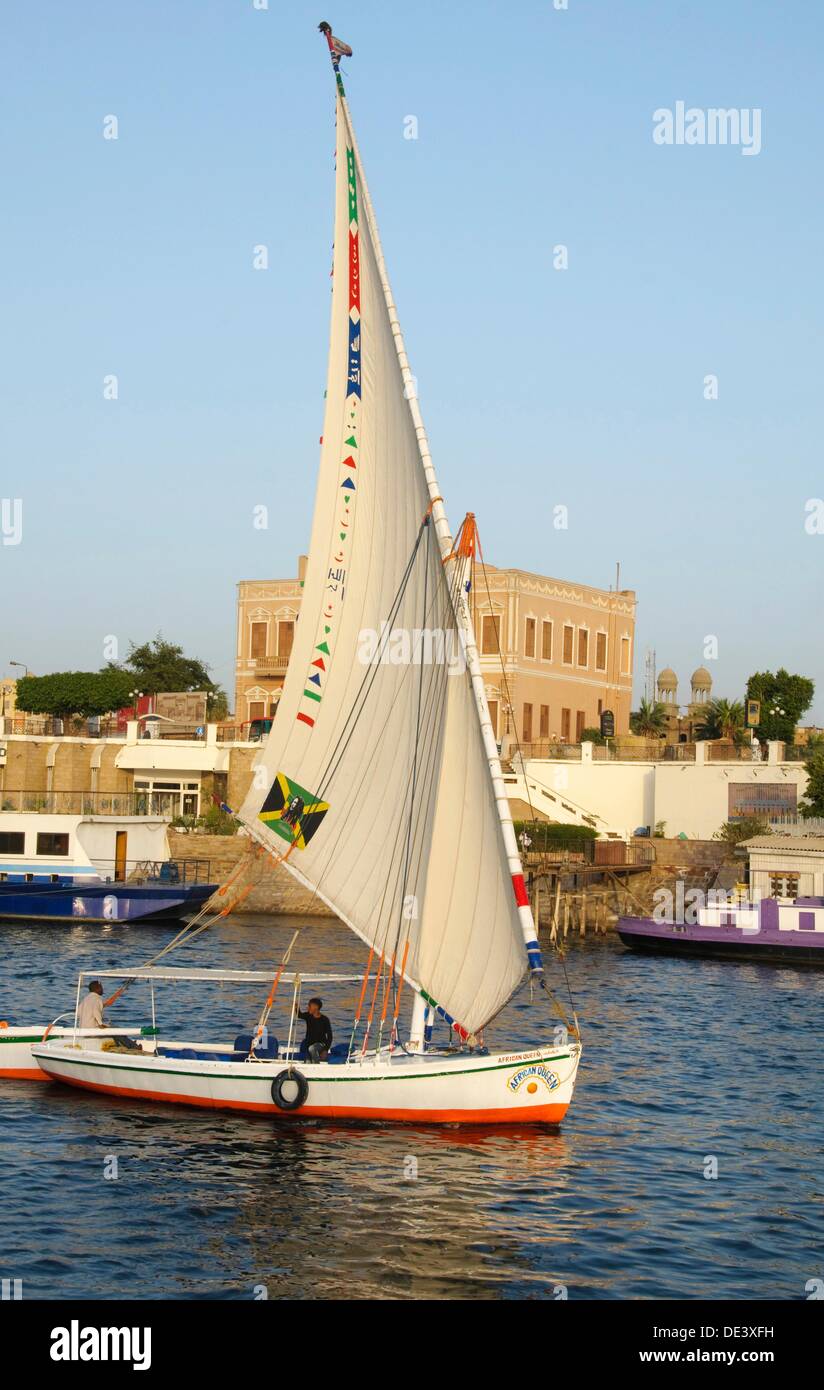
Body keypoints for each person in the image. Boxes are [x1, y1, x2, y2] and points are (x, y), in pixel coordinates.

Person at [297, 997, 332, 1063]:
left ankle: (316, 1065)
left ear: (316, 1007)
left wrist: (325, 1050)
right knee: (307, 1061)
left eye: (309, 1006)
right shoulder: (308, 1016)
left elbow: (330, 1036)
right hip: (309, 1044)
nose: (308, 1008)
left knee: (312, 1048)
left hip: (321, 1044)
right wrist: (296, 1007)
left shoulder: (325, 1019)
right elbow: (299, 1015)